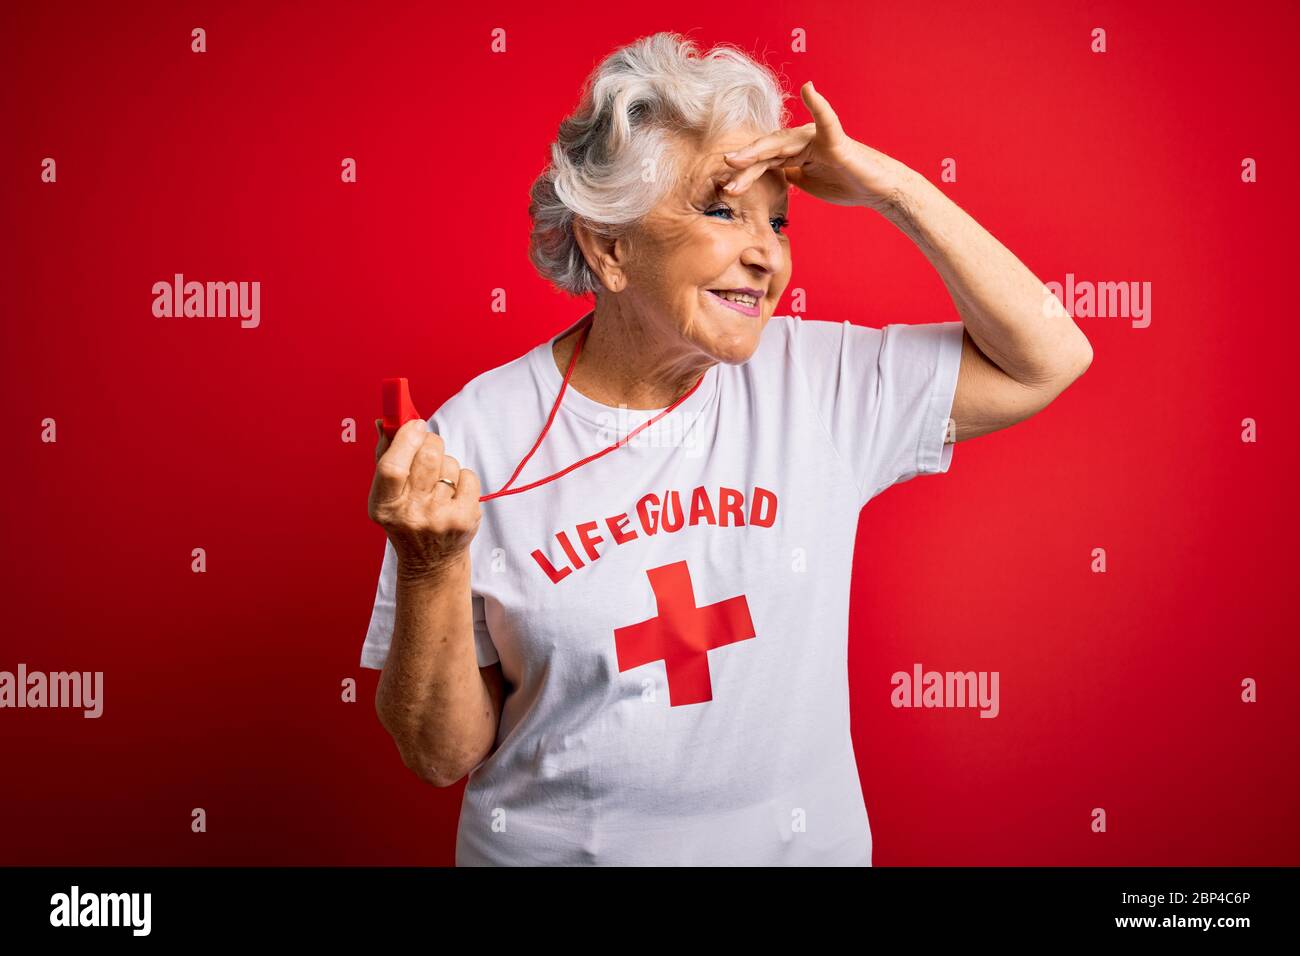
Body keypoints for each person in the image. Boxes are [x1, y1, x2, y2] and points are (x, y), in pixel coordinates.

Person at [359, 32, 1092, 865]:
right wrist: (429, 566)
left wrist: (892, 190)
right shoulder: (477, 437)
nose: (767, 254)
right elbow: (440, 753)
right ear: (610, 248)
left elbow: (1051, 359)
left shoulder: (818, 383)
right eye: (721, 210)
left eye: (777, 222)